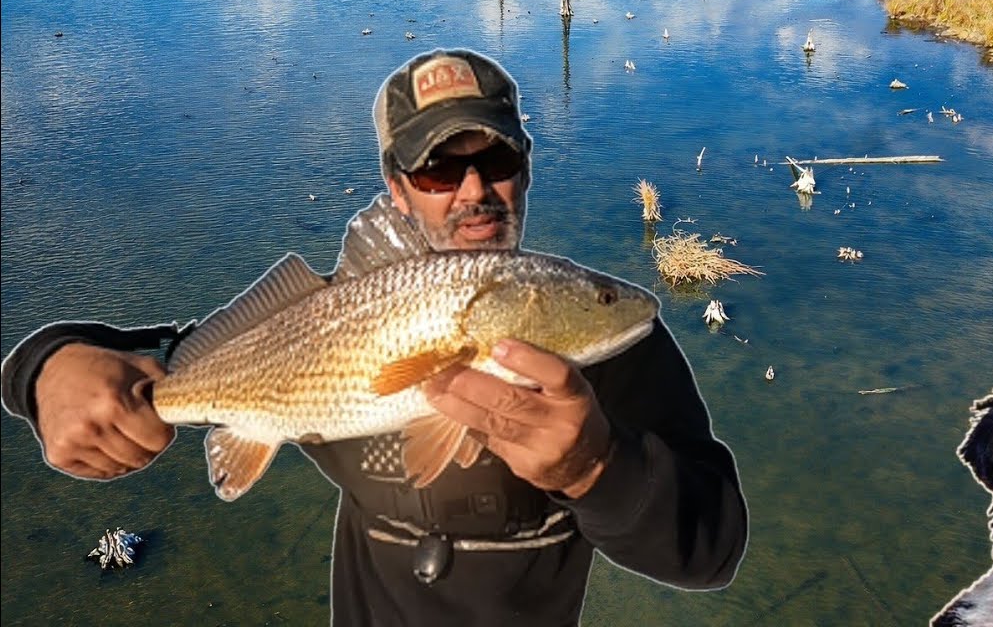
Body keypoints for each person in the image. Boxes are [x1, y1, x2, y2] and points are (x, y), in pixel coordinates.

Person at [1, 48, 749, 626]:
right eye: (436, 171)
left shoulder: (612, 354)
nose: (473, 191)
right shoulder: (325, 315)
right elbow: (155, 360)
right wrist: (42, 366)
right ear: (395, 189)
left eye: (496, 160)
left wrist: (596, 468)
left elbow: (712, 552)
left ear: (525, 168)